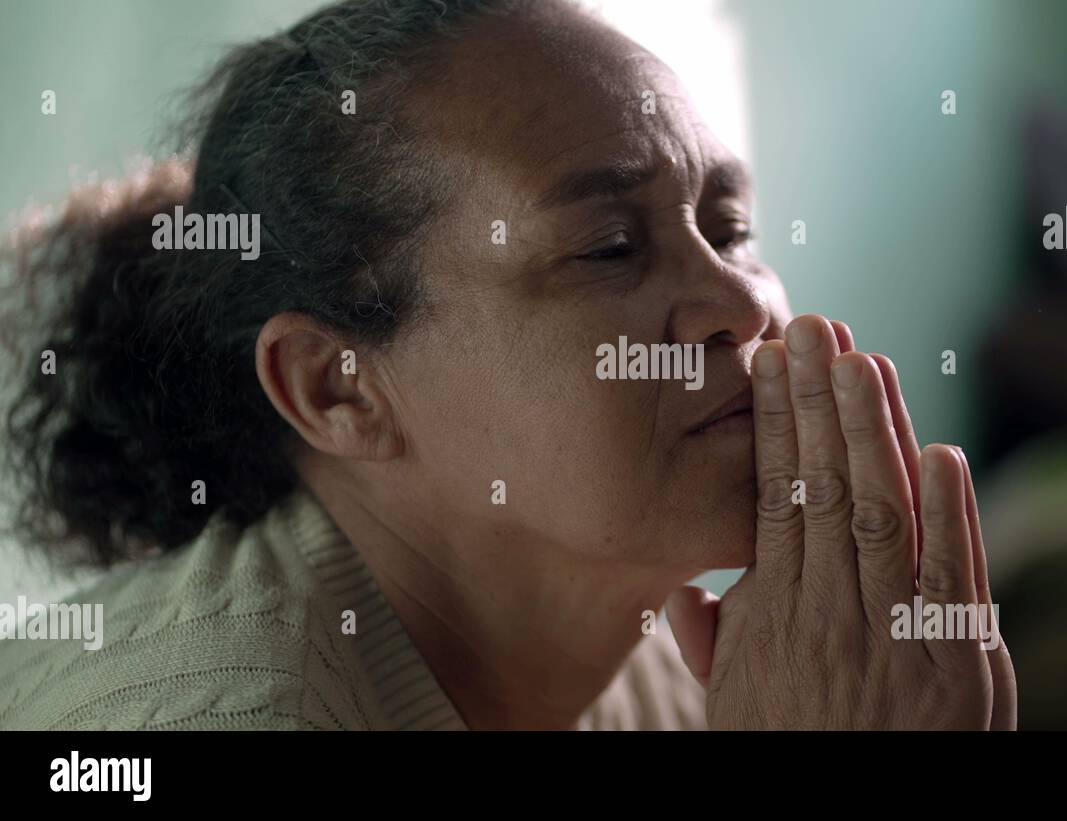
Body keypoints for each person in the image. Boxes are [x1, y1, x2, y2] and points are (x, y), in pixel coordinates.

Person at [0, 0, 1014, 730]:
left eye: (730, 226)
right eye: (608, 248)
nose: (744, 301)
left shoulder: (664, 662)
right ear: (338, 387)